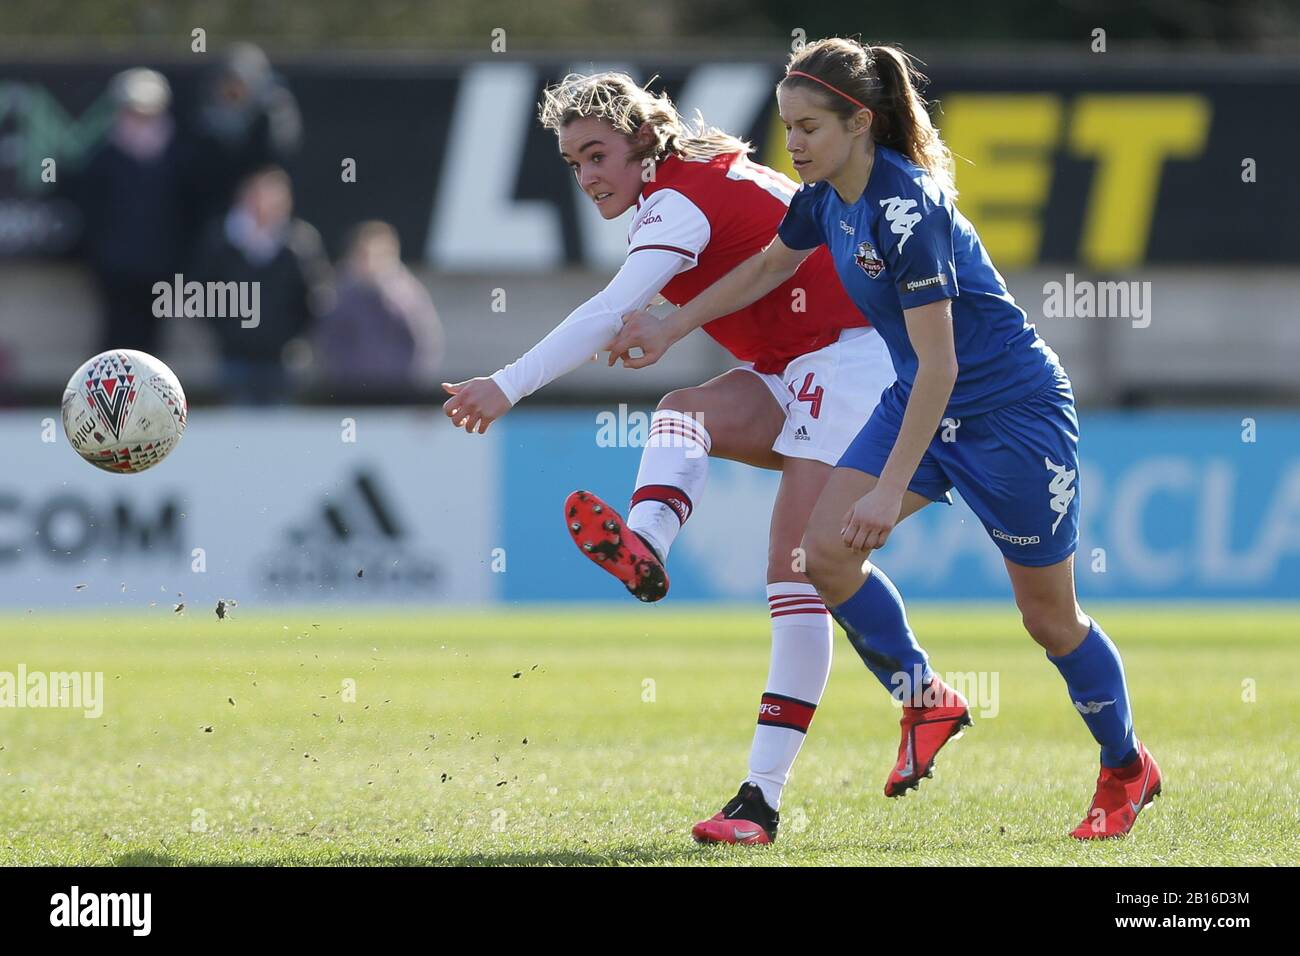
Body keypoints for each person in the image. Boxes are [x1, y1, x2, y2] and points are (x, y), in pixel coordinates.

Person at [611, 38, 1161, 840]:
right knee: (824, 556)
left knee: (1048, 618)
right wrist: (670, 324)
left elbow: (941, 365)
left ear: (858, 123)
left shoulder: (909, 211)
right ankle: (925, 699)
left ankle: (1125, 766)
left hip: (1010, 414)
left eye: (807, 128)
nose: (791, 144)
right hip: (920, 402)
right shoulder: (823, 196)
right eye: (786, 128)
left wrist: (883, 485)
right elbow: (767, 269)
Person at [440, 71, 897, 844]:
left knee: (798, 573)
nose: (586, 177)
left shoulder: (676, 201)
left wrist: (506, 386)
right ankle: (647, 545)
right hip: (798, 365)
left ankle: (761, 801)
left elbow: (611, 309)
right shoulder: (691, 174)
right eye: (573, 162)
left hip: (852, 361)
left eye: (597, 155)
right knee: (682, 416)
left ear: (643, 142)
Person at [72, 68, 190, 354]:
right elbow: (90, 213)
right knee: (116, 342)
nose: (140, 116)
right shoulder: (102, 158)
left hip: (161, 270)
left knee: (153, 348)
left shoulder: (179, 158)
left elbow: (187, 212)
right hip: (115, 272)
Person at [190, 166, 331, 405]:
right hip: (234, 356)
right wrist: (228, 332)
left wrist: (292, 336)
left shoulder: (300, 242)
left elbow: (317, 296)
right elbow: (200, 293)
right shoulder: (221, 241)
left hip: (284, 358)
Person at [316, 221, 444, 396]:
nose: (370, 263)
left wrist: (412, 386)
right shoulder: (339, 295)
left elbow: (424, 342)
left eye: (377, 256)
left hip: (396, 393)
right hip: (349, 394)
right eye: (363, 256)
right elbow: (329, 342)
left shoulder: (408, 295)